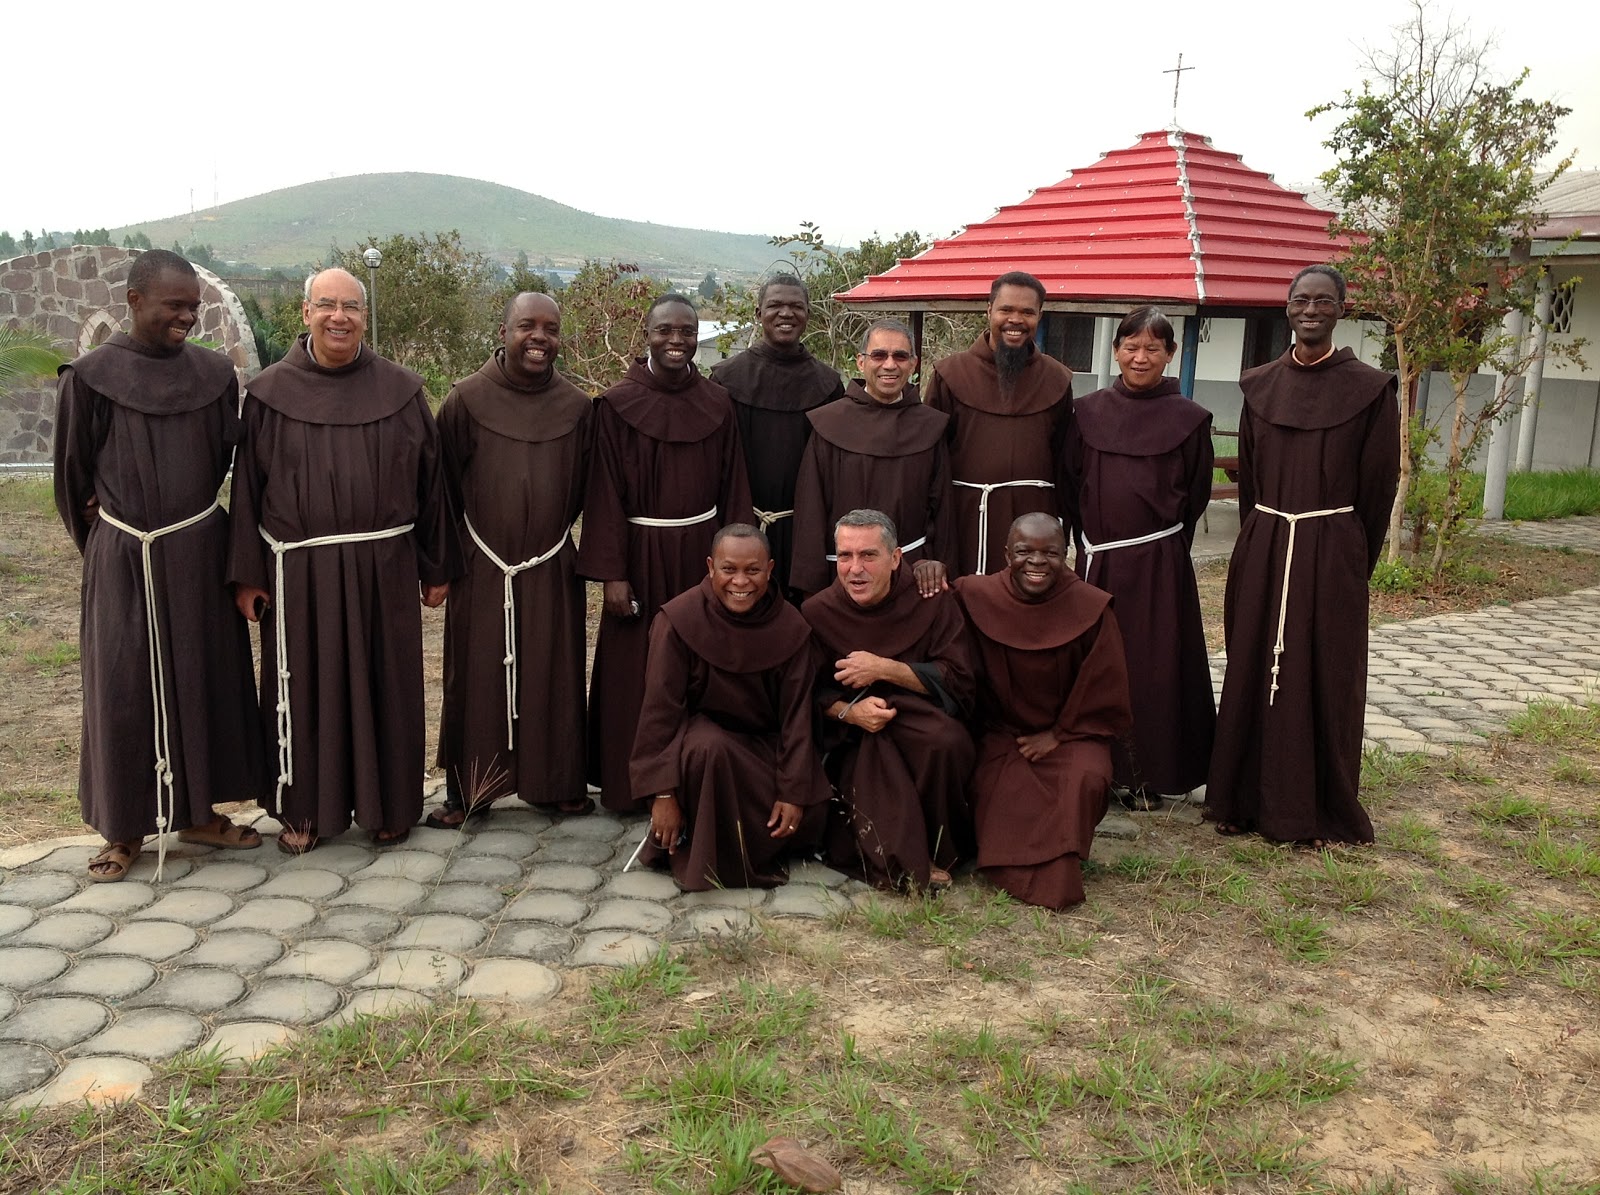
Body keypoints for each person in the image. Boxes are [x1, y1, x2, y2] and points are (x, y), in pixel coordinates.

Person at [228, 267, 459, 854]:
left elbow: (433, 486)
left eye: (351, 307)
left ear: (364, 316)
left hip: (385, 568)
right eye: (326, 305)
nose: (339, 317)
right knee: (305, 688)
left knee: (390, 685)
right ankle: (305, 810)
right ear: (304, 314)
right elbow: (248, 494)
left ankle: (390, 806)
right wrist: (248, 577)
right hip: (299, 575)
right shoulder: (268, 395)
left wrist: (436, 569)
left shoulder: (403, 391)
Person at [54, 249, 267, 881]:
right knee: (125, 688)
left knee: (203, 681)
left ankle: (198, 813)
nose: (188, 317)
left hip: (199, 548)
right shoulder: (89, 377)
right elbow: (71, 483)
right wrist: (108, 545)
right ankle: (124, 830)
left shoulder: (213, 375)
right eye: (175, 305)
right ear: (135, 301)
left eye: (194, 306)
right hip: (125, 557)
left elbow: (226, 465)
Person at [1206, 264, 1399, 847]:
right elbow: (1253, 480)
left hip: (1332, 543)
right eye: (1300, 299)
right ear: (1287, 307)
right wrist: (1256, 545)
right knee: (1251, 670)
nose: (1310, 308)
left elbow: (1377, 487)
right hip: (1266, 540)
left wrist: (1346, 557)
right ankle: (1240, 798)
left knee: (1321, 671)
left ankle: (1311, 806)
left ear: (1342, 308)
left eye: (1323, 300)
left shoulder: (1369, 387)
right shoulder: (1259, 384)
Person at [577, 294, 754, 814]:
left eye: (687, 332)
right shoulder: (614, 405)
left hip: (703, 552)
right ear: (646, 335)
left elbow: (734, 486)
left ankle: (698, 781)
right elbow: (602, 493)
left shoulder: (718, 402)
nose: (677, 341)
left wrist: (738, 565)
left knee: (705, 664)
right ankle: (628, 783)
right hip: (640, 554)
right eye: (666, 331)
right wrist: (612, 574)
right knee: (637, 667)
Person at [428, 292, 595, 828]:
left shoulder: (578, 408)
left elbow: (588, 491)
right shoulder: (466, 400)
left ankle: (555, 783)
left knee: (554, 672)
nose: (539, 337)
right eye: (527, 326)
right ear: (503, 332)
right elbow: (441, 491)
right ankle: (469, 790)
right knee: (474, 675)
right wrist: (444, 564)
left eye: (550, 328)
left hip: (549, 563)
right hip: (480, 563)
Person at [1062, 306, 1215, 808]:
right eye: (1131, 346)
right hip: (1098, 561)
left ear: (1170, 355)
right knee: (1095, 667)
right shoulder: (1086, 412)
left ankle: (1147, 774)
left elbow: (1195, 495)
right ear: (1116, 351)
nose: (1140, 356)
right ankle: (1092, 769)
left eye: (1153, 347)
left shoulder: (1190, 420)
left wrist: (1163, 551)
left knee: (1152, 669)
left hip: (1157, 565)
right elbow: (1071, 483)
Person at [630, 524, 830, 890]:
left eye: (753, 570)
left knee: (815, 814)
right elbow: (659, 713)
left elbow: (797, 718)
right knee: (711, 747)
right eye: (729, 569)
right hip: (701, 753)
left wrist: (793, 790)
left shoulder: (792, 628)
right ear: (710, 567)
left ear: (770, 570)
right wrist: (662, 794)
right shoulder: (677, 621)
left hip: (766, 753)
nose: (741, 581)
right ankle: (708, 856)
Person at [954, 514, 1132, 908]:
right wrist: (925, 570)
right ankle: (1011, 864)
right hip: (1002, 733)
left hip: (1071, 734)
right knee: (994, 785)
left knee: (1085, 778)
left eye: (1050, 552)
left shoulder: (1090, 606)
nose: (1036, 561)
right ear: (1006, 554)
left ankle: (1056, 868)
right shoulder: (974, 593)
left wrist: (1058, 734)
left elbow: (1103, 684)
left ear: (1066, 555)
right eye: (1024, 551)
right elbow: (927, 611)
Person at [801, 509, 975, 891]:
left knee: (945, 743)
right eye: (844, 556)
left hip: (921, 715)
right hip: (852, 734)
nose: (854, 568)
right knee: (873, 755)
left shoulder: (930, 598)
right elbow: (804, 696)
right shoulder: (818, 611)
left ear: (896, 558)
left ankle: (940, 850)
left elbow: (960, 679)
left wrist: (885, 669)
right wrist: (849, 712)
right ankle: (906, 862)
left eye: (868, 555)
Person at [925, 271, 1076, 575]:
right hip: (966, 517)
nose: (1015, 320)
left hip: (1035, 518)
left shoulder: (1057, 379)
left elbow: (1064, 459)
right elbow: (931, 458)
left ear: (1040, 316)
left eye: (1027, 312)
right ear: (989, 310)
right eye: (1006, 309)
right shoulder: (950, 374)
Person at [790, 320, 955, 598]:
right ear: (860, 362)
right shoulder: (830, 423)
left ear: (914, 364)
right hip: (844, 576)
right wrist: (812, 587)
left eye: (900, 356)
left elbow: (944, 510)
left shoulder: (930, 426)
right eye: (879, 355)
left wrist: (941, 564)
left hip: (912, 572)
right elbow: (811, 511)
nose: (889, 365)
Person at [710, 274, 844, 598]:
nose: (786, 313)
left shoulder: (827, 385)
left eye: (796, 306)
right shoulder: (725, 379)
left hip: (804, 531)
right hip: (738, 525)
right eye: (775, 305)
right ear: (759, 313)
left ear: (809, 314)